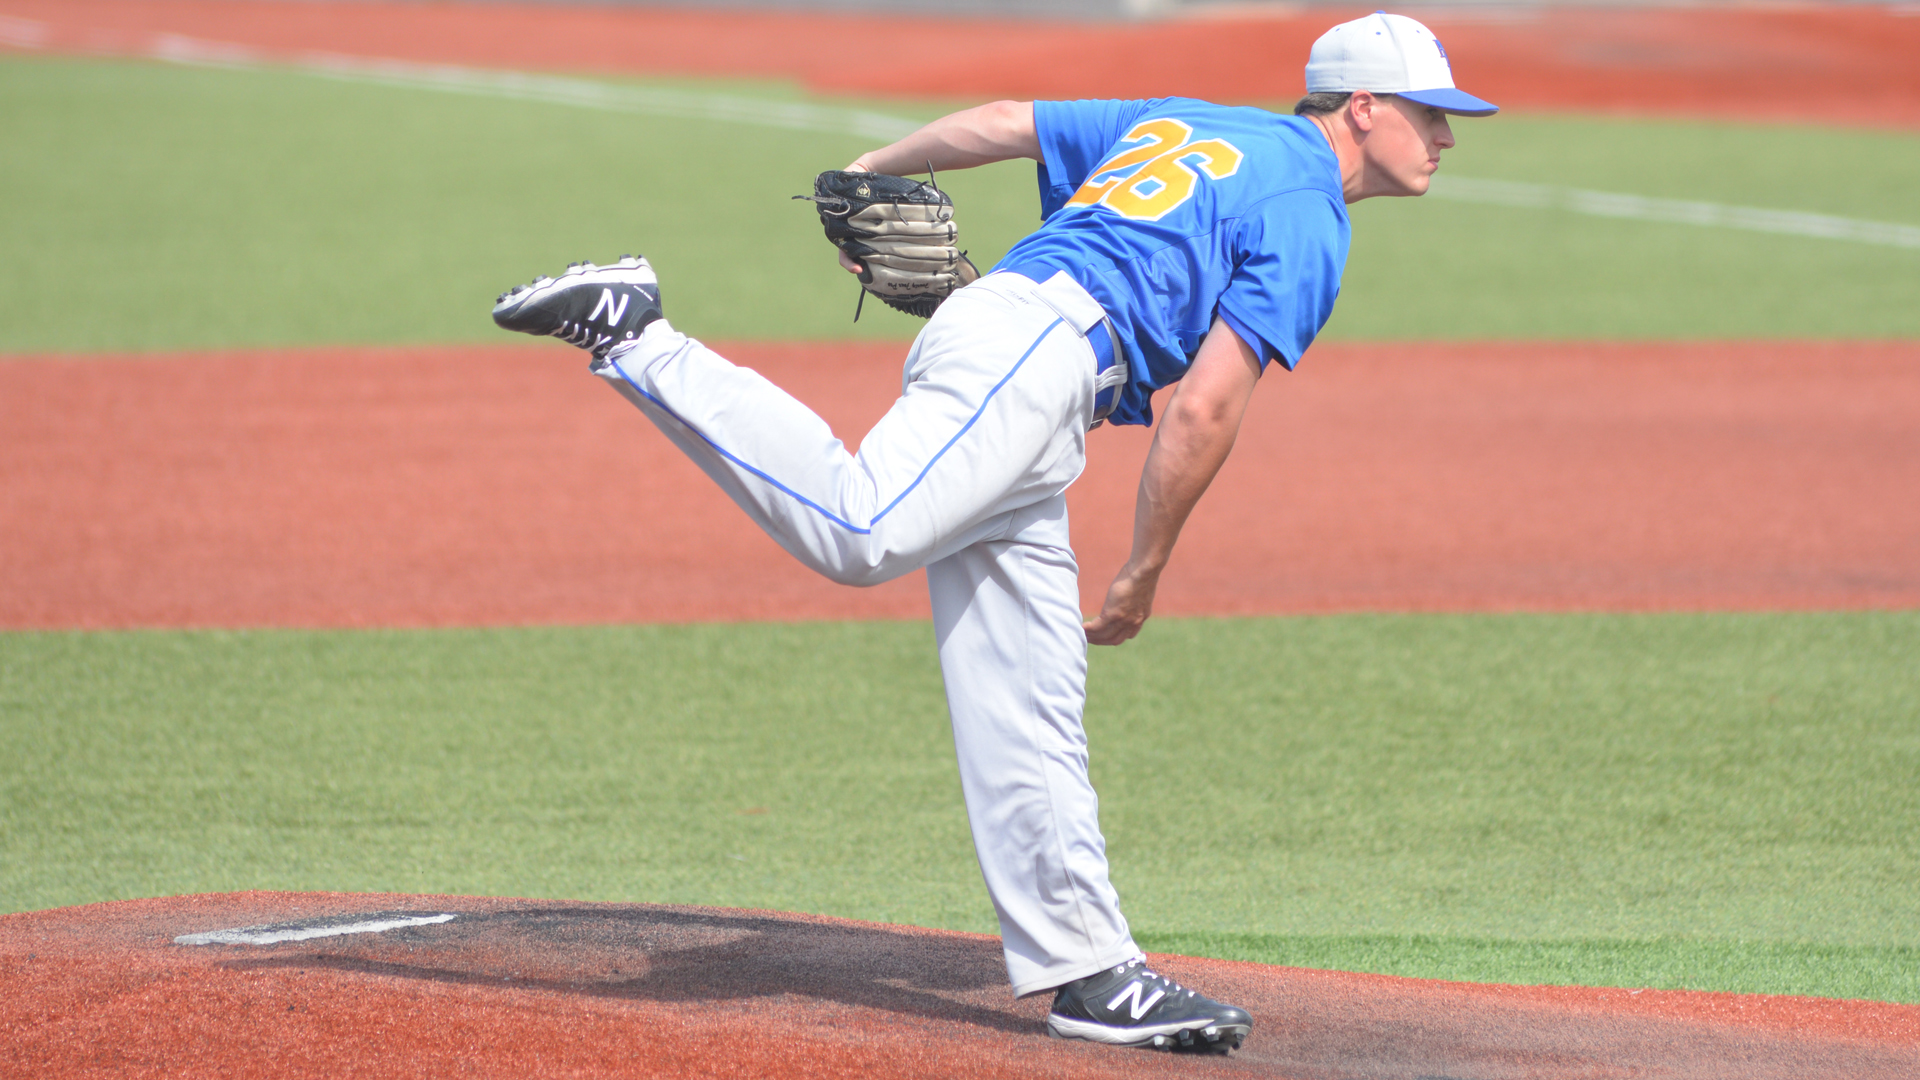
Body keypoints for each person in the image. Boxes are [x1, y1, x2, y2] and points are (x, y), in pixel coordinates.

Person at [491, 11, 1497, 1053]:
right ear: (1364, 108)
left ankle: (1091, 973)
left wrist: (869, 169)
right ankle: (635, 332)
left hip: (1026, 360)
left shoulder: (1196, 121)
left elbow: (1013, 123)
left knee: (1029, 687)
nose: (1448, 137)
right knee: (863, 529)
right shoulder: (1310, 213)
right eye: (1431, 114)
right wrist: (1144, 568)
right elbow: (1204, 408)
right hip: (1037, 354)